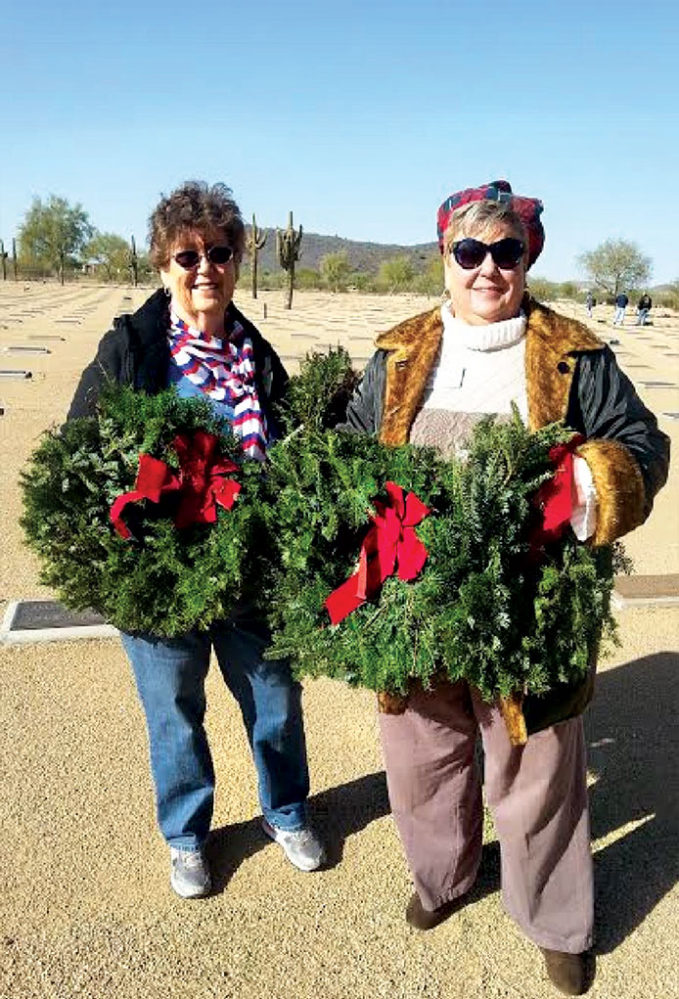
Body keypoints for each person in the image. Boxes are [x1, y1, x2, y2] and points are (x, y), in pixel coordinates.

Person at [339, 180, 669, 995]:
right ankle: (442, 876)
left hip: (532, 602)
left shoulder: (574, 353)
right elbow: (348, 444)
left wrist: (585, 488)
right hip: (412, 597)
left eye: (505, 252)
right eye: (469, 252)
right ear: (443, 259)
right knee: (422, 754)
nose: (488, 269)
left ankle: (555, 918)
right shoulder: (400, 351)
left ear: (527, 257)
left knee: (535, 766)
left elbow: (641, 443)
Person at [68, 181, 324, 898]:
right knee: (175, 711)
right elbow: (81, 451)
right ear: (162, 265)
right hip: (161, 580)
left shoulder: (256, 355)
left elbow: (293, 447)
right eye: (187, 254)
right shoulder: (131, 349)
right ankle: (187, 834)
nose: (204, 267)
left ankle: (286, 808)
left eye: (219, 252)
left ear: (238, 262)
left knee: (275, 699)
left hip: (251, 574)